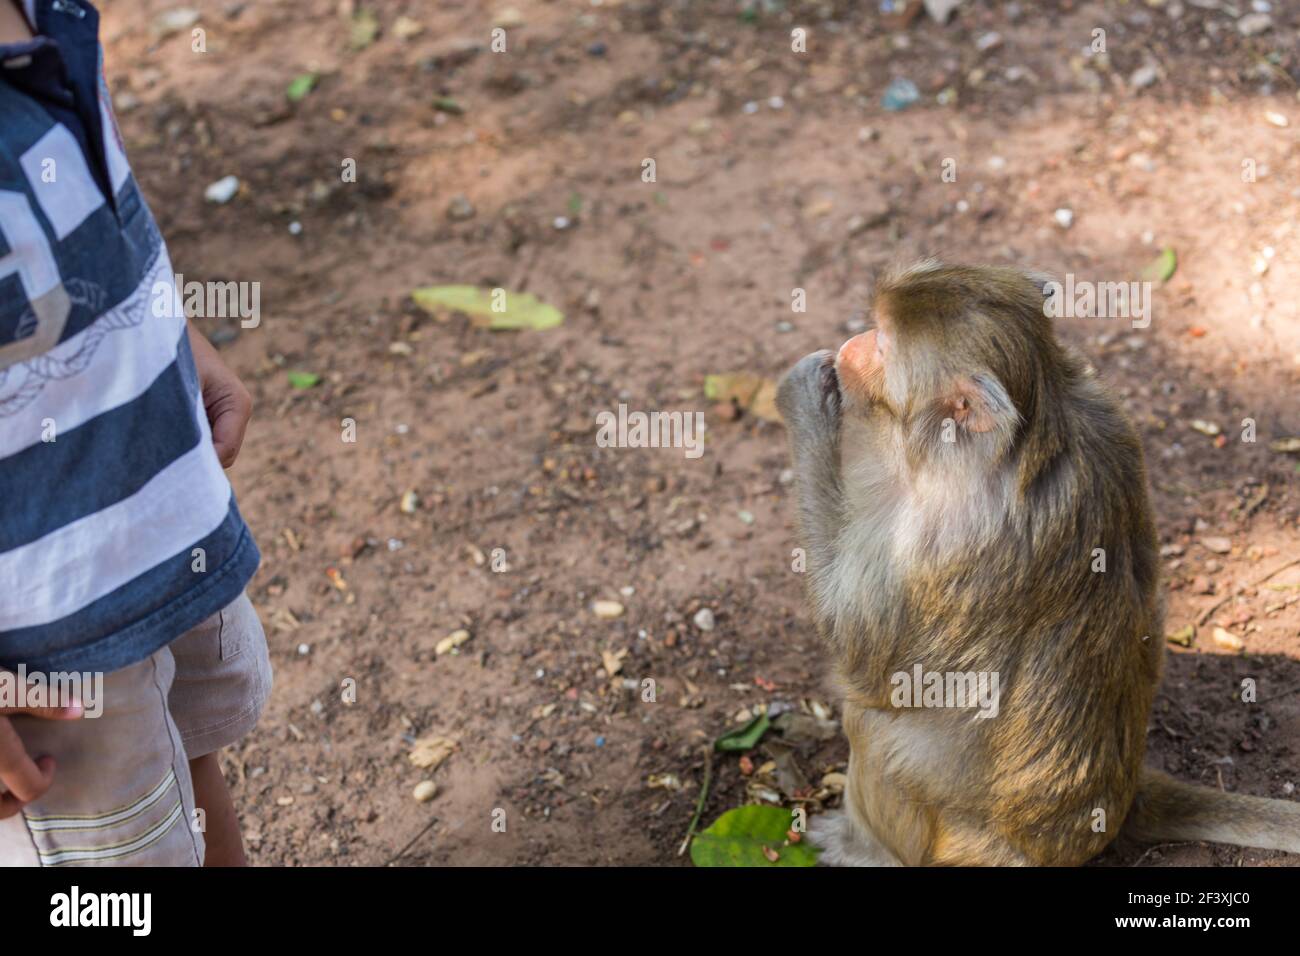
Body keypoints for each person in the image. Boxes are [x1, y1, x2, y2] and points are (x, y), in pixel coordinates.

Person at [0, 0, 269, 866]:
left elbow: (73, 181)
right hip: (43, 650)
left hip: (155, 531)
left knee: (189, 773)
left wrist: (168, 332)